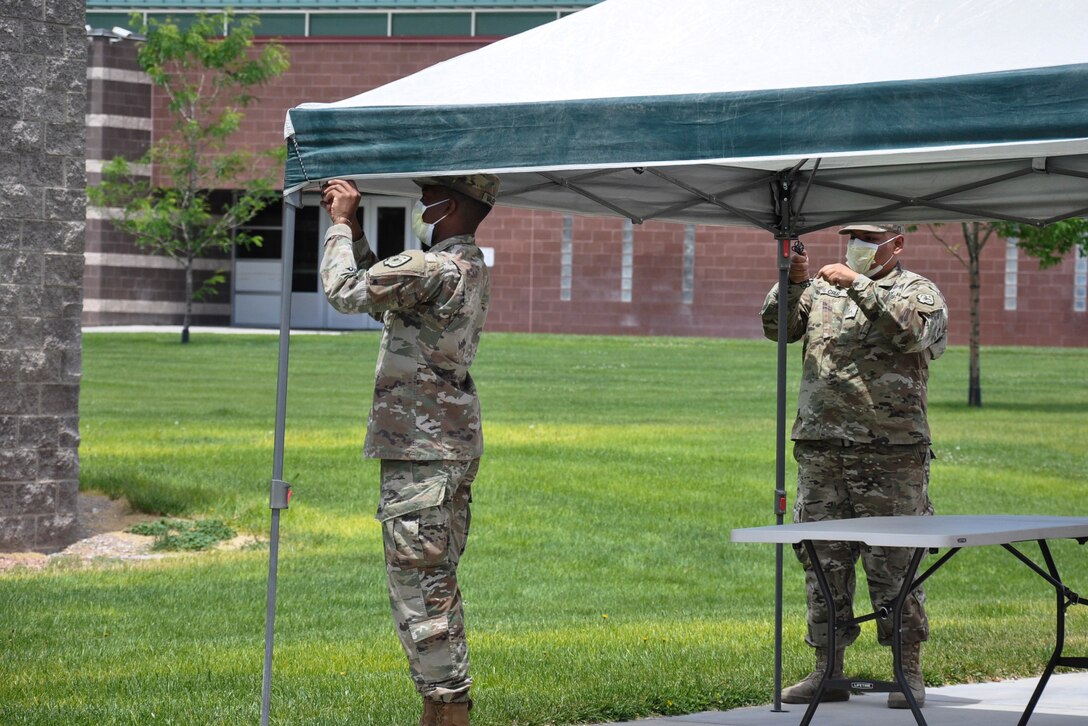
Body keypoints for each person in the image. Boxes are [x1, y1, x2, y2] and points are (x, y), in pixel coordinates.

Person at [319, 174, 499, 726]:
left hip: (424, 452)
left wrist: (338, 226)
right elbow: (384, 298)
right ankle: (440, 706)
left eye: (429, 199)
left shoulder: (432, 268)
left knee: (422, 588)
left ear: (453, 206)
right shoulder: (464, 266)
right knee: (432, 579)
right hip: (446, 446)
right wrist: (357, 232)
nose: (422, 206)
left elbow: (344, 291)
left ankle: (449, 710)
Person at [760, 223, 948, 709]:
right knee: (823, 562)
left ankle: (907, 671)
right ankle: (827, 670)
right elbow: (777, 328)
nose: (856, 247)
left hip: (890, 455)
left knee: (895, 563)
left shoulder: (917, 291)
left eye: (868, 239)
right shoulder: (822, 289)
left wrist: (860, 284)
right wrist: (794, 280)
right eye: (852, 238)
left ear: (896, 244)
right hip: (822, 450)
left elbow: (911, 333)